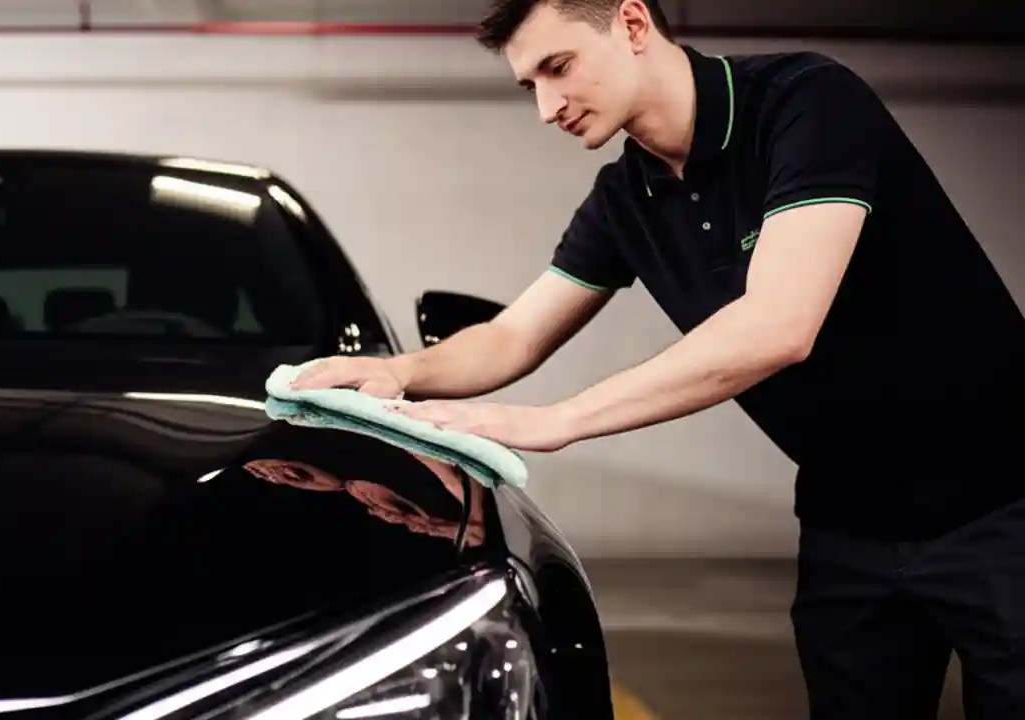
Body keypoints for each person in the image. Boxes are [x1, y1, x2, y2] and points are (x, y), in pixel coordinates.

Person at [292, 0, 1025, 717]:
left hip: (1000, 505)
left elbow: (779, 324)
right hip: (847, 522)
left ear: (634, 23)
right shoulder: (626, 197)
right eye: (530, 86)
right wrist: (400, 374)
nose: (548, 107)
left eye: (559, 66)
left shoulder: (806, 103)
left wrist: (562, 419)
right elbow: (514, 336)